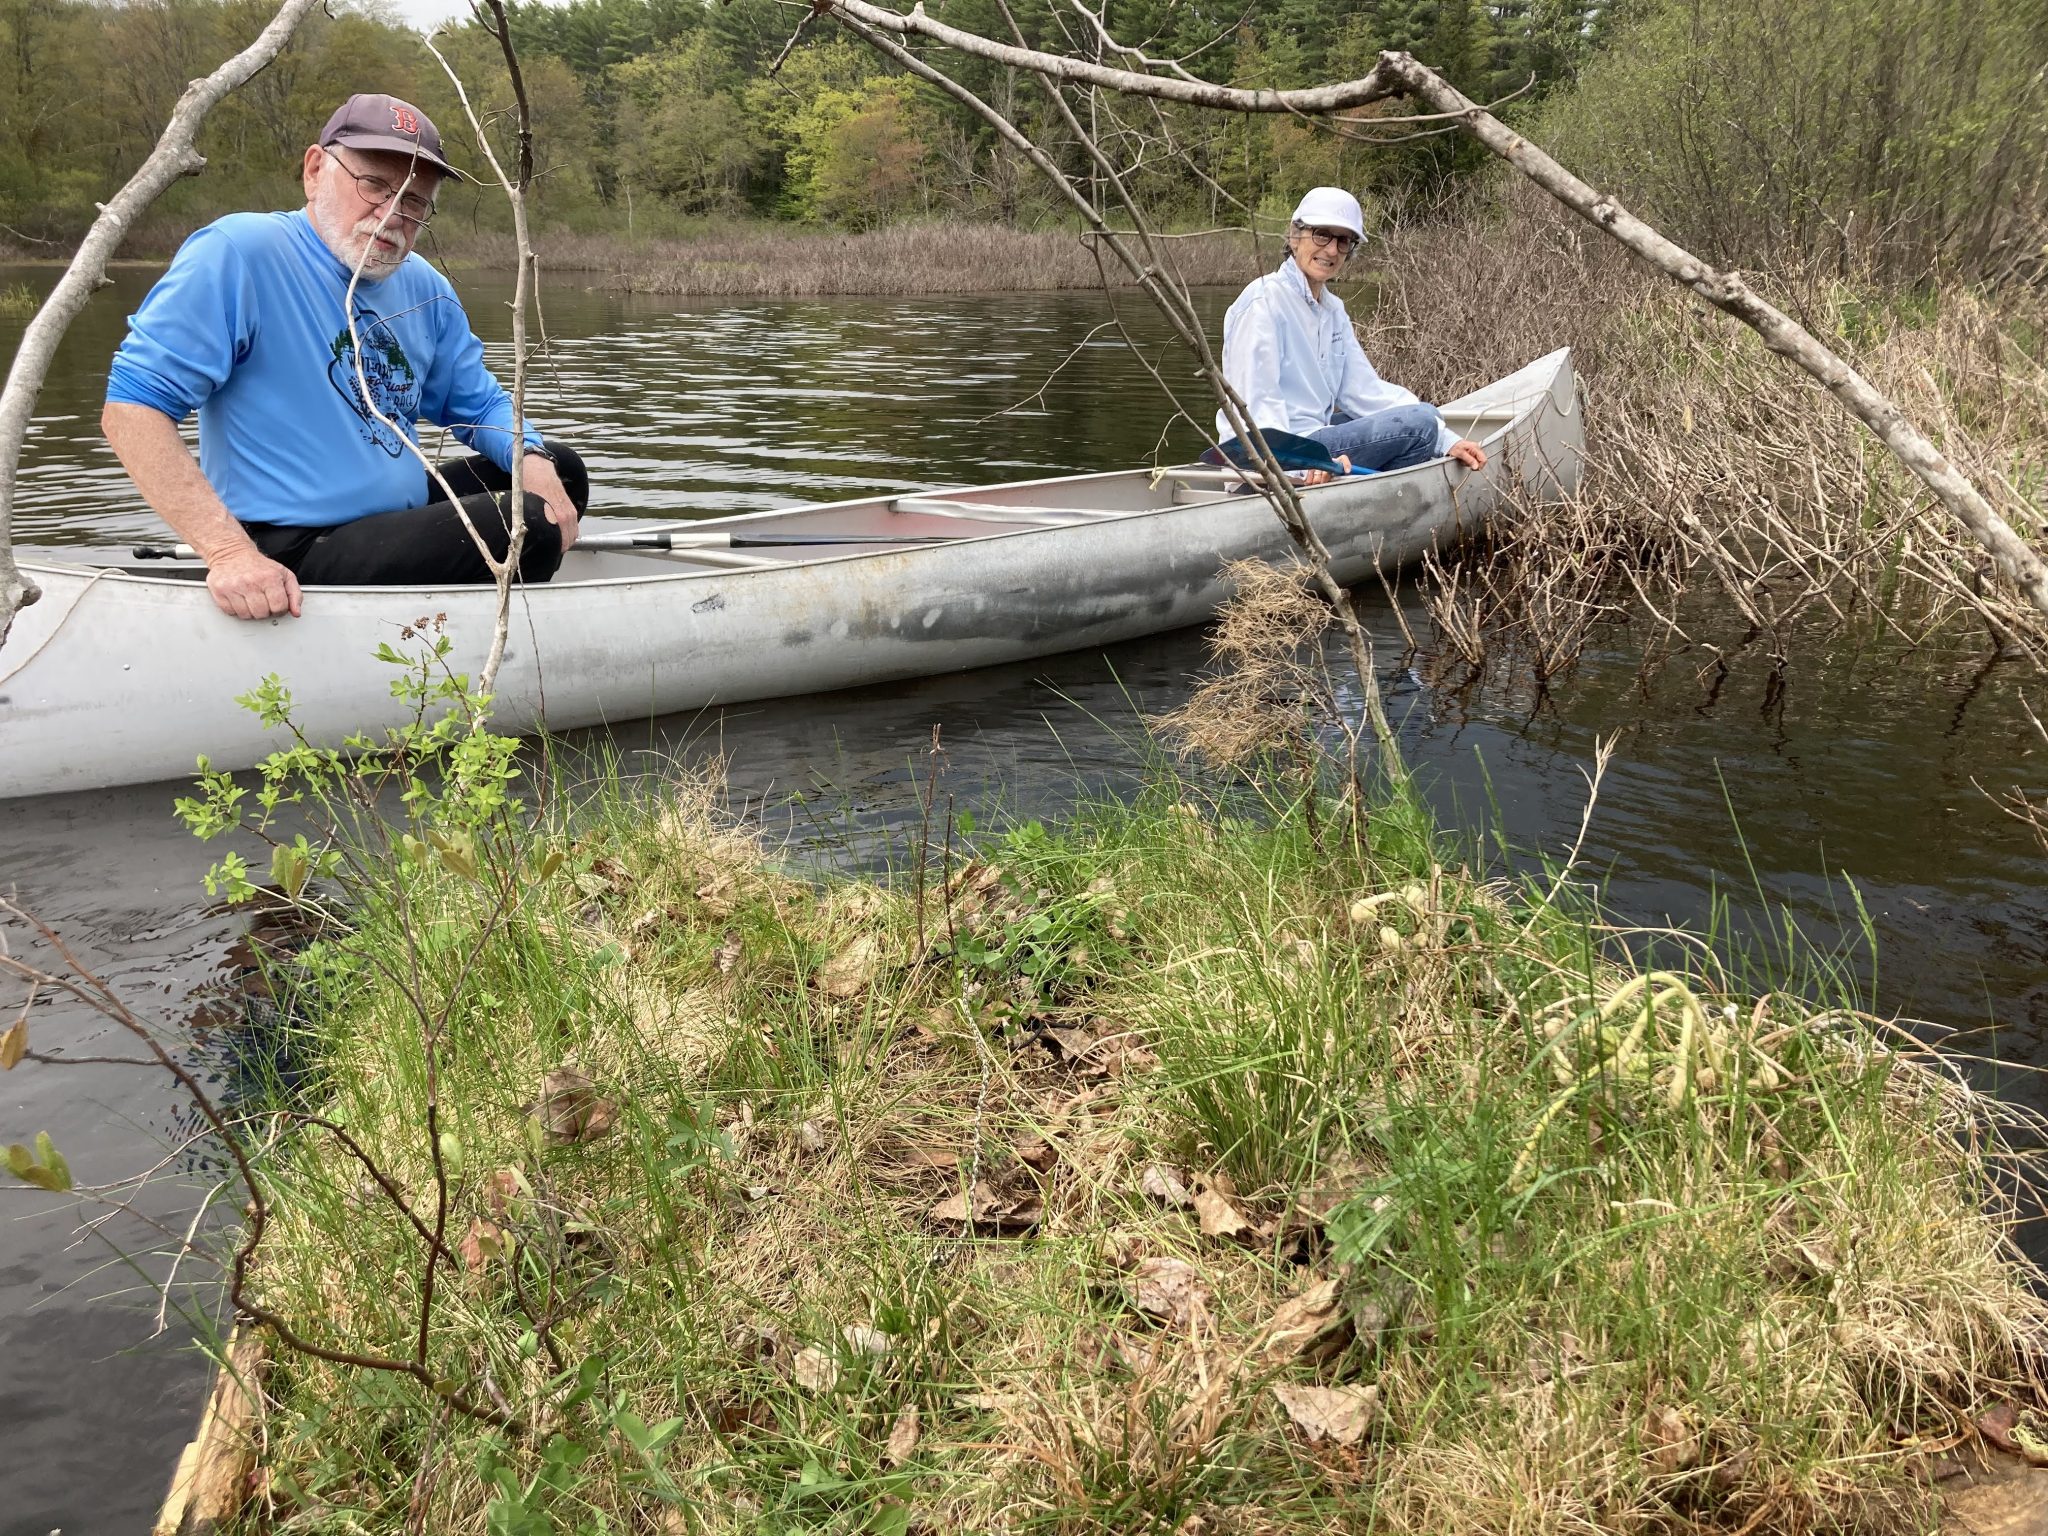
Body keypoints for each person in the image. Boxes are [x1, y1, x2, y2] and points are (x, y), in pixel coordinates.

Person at [101, 93, 588, 621]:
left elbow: (482, 405)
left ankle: (467, 623)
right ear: (315, 171)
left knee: (559, 469)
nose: (393, 215)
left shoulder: (426, 288)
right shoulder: (241, 252)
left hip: (389, 522)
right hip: (294, 546)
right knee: (529, 525)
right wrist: (229, 554)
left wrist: (533, 462)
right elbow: (131, 411)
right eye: (375, 185)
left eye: (415, 201)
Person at [1218, 186, 1487, 486]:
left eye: (1343, 240)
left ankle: (1361, 496)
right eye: (1321, 234)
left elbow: (1364, 392)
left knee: (1423, 415)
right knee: (1420, 426)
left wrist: (1446, 441)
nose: (1331, 250)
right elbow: (1255, 405)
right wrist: (1300, 465)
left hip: (1315, 439)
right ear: (1295, 237)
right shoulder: (1263, 303)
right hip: (1267, 461)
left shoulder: (1332, 310)